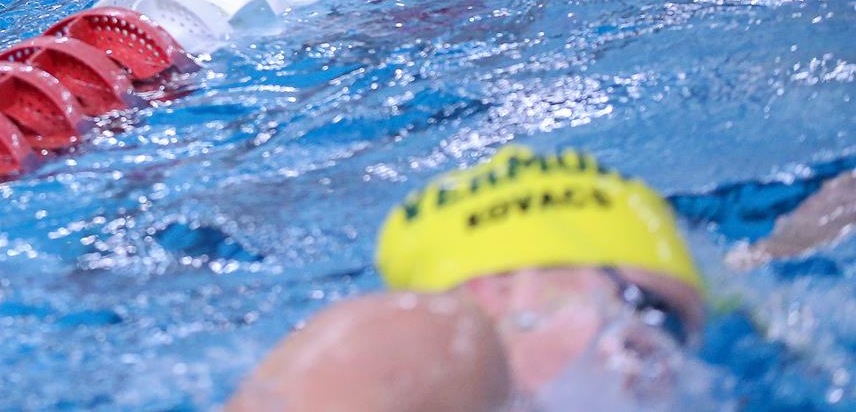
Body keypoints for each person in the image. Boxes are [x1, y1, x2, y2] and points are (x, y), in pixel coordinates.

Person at [225, 145, 856, 412]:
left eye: (668, 321)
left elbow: (769, 261)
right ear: (489, 299)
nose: (652, 365)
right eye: (634, 307)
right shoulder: (422, 342)